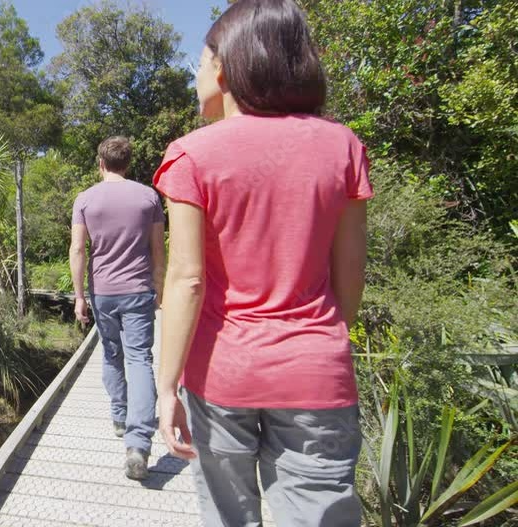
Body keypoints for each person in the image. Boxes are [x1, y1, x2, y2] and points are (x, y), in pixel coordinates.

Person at [153, 0, 372, 525]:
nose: (196, 74)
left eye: (200, 62)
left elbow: (187, 282)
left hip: (223, 376)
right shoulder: (342, 146)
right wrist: (314, 347)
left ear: (224, 67)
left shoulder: (191, 154)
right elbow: (350, 279)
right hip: (317, 375)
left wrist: (165, 387)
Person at [70, 136, 166, 480]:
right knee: (140, 358)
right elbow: (158, 248)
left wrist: (80, 296)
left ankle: (119, 417)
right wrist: (160, 287)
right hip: (139, 289)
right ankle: (138, 442)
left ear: (100, 163)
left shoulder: (85, 199)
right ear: (128, 163)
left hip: (103, 293)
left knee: (111, 355)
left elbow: (78, 250)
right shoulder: (148, 196)